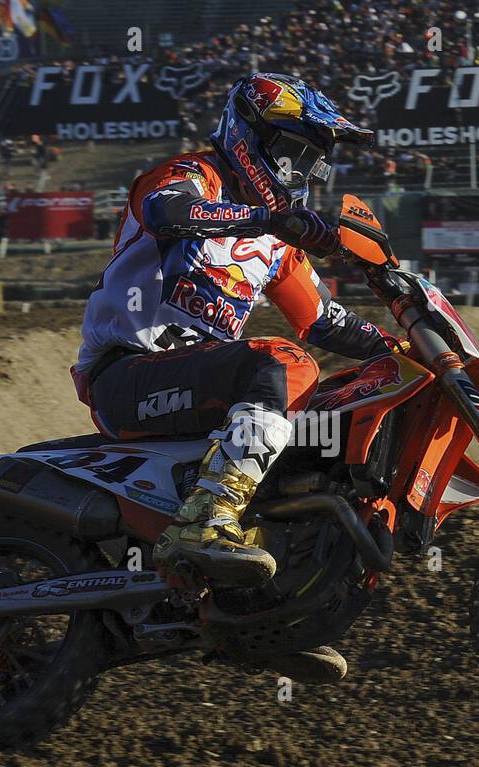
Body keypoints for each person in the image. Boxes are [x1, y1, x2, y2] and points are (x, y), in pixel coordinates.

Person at [73, 73, 399, 675]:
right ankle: (205, 521)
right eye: (292, 153)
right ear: (249, 134)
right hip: (129, 374)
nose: (300, 175)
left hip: (194, 384)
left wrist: (400, 345)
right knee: (280, 362)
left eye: (313, 163)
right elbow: (167, 213)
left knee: (319, 431)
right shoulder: (191, 176)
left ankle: (258, 615)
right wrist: (272, 221)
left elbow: (322, 319)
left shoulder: (276, 243)